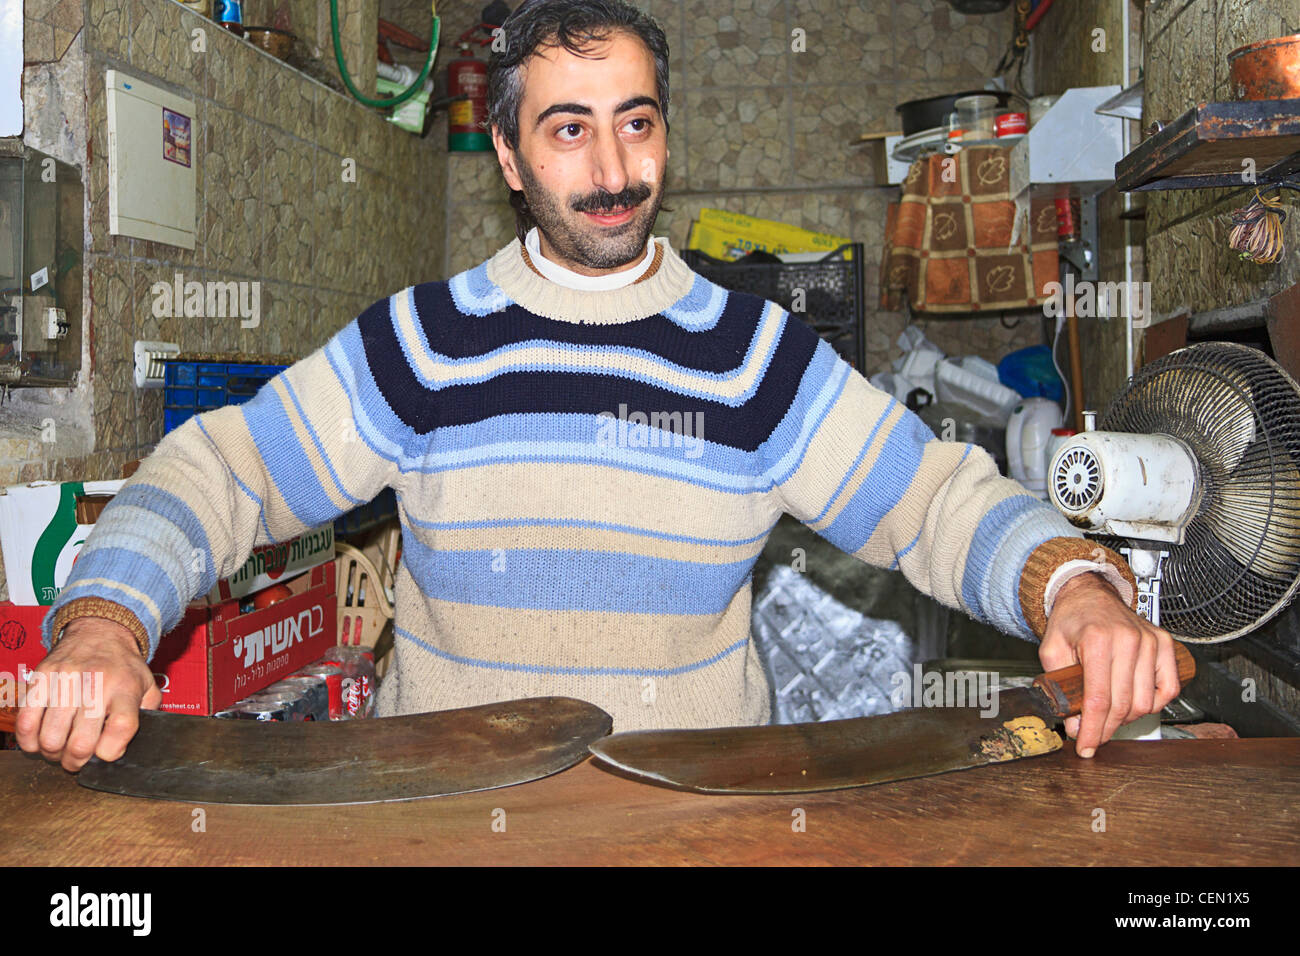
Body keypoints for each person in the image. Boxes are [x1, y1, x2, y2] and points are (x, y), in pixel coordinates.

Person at [16, 0, 1181, 773]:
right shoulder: (427, 347)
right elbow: (224, 470)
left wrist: (1070, 584)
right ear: (511, 158)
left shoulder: (749, 354)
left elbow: (932, 500)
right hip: (452, 825)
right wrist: (108, 620)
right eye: (568, 131)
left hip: (692, 832)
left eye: (636, 124)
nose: (615, 170)